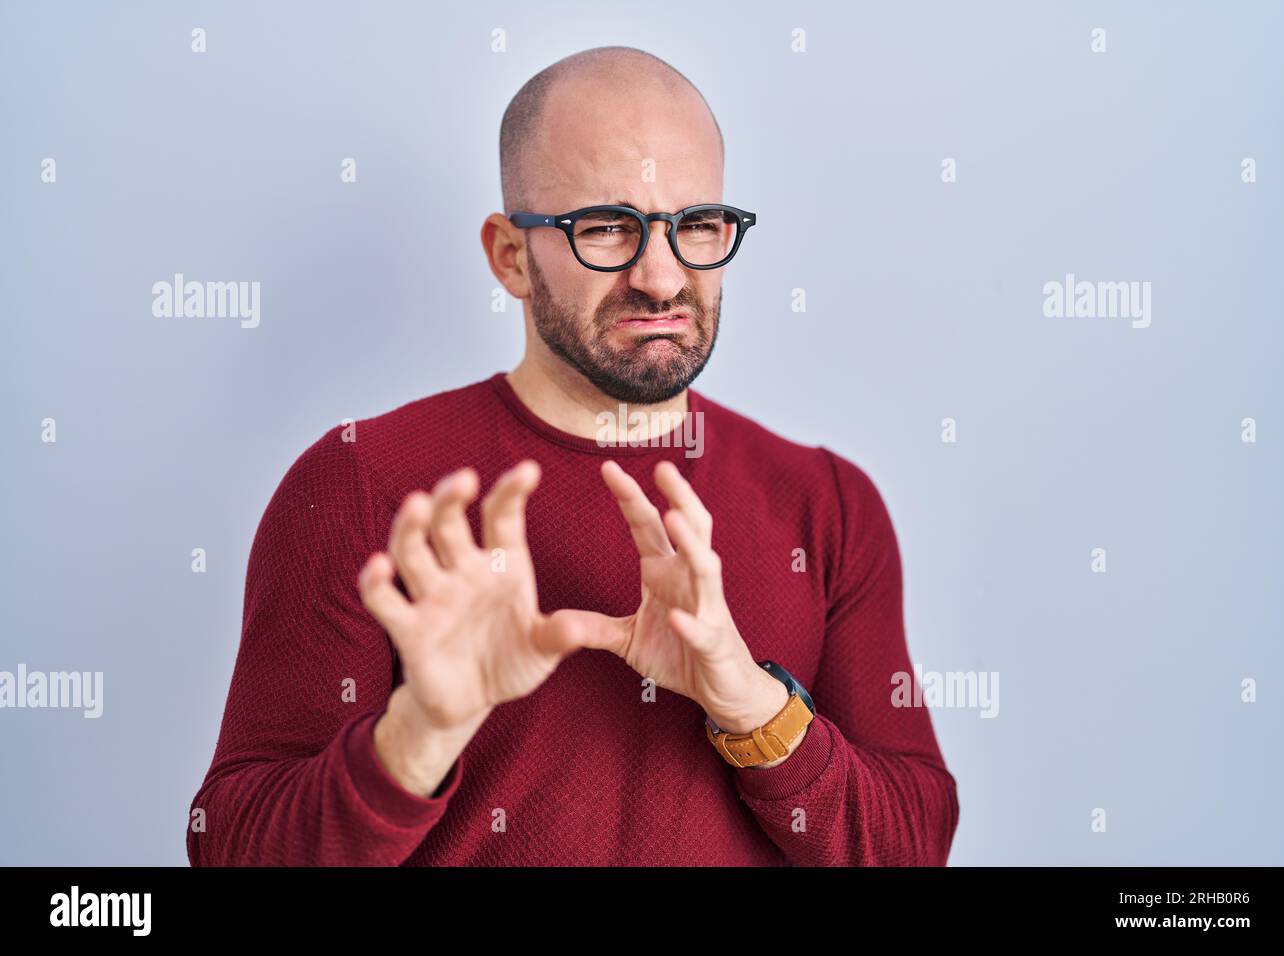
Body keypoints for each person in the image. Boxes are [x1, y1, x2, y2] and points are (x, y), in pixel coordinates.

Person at [187, 45, 958, 866]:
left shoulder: (827, 501)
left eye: (696, 224)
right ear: (510, 256)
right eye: (606, 228)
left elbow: (911, 847)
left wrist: (751, 703)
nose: (662, 278)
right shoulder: (358, 483)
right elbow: (233, 849)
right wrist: (419, 734)